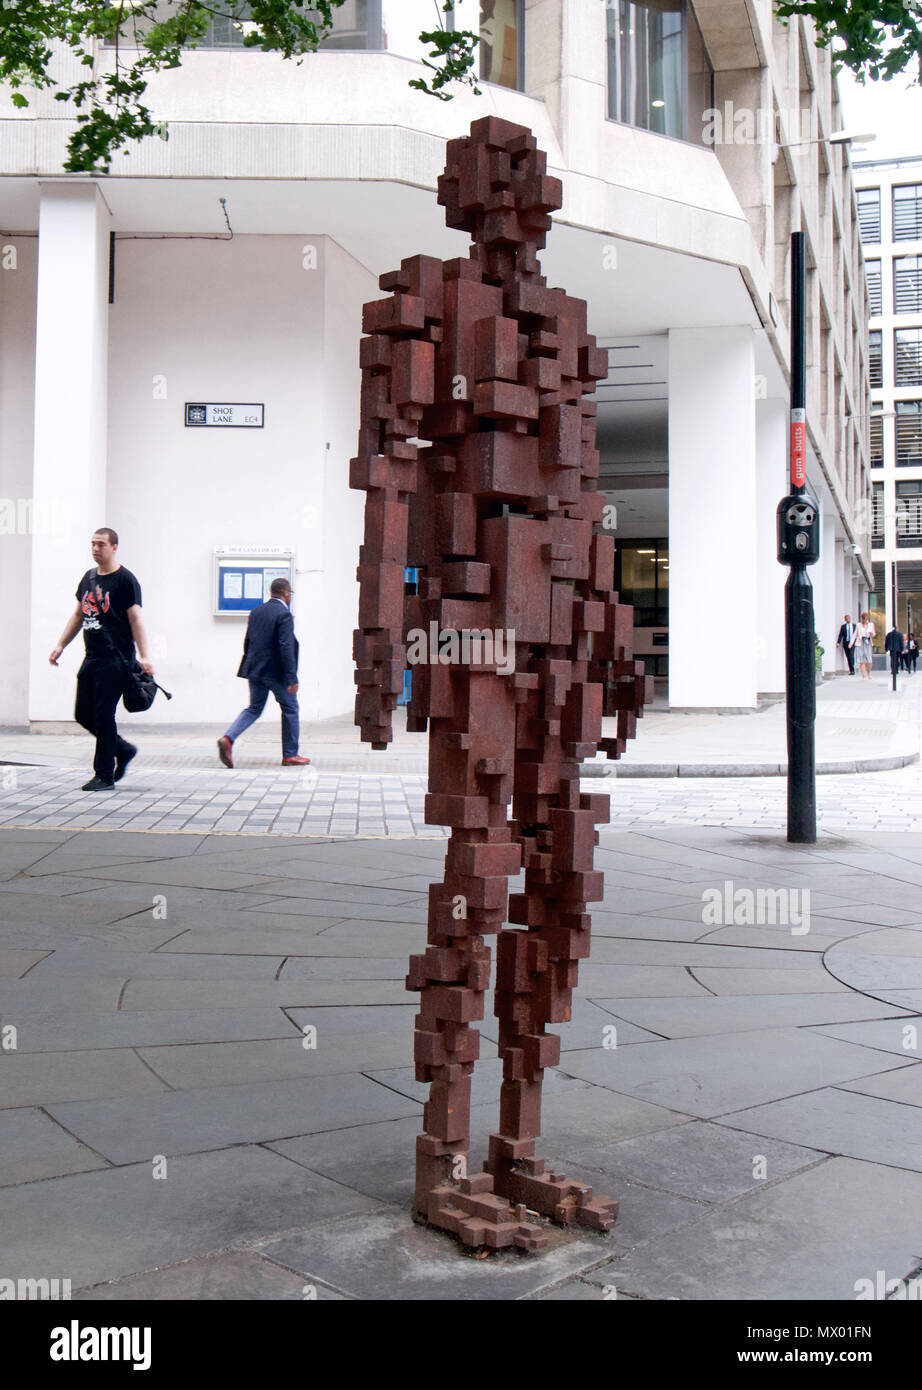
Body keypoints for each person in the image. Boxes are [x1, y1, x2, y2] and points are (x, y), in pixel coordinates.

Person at [49, 528, 153, 791]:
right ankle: (123, 749)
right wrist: (61, 644)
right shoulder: (89, 578)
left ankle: (104, 775)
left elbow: (136, 618)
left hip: (116, 659)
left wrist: (145, 656)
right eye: (93, 544)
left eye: (101, 544)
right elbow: (78, 615)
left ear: (114, 547)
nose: (96, 549)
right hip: (92, 656)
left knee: (104, 715)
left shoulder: (125, 580)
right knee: (83, 713)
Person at [217, 578, 310, 767]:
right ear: (286, 593)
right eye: (290, 593)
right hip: (276, 672)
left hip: (255, 669)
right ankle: (290, 754)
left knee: (254, 708)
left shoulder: (256, 611)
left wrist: (249, 665)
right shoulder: (284, 614)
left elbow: (248, 641)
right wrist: (292, 677)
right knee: (290, 709)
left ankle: (228, 738)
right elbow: (285, 646)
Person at [850, 611, 875, 681]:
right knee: (862, 661)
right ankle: (863, 676)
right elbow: (855, 634)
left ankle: (869, 673)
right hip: (860, 642)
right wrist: (851, 643)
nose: (865, 620)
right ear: (862, 618)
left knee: (869, 660)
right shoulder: (858, 625)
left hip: (868, 642)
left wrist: (871, 633)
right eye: (864, 619)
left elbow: (874, 634)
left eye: (866, 619)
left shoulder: (871, 625)